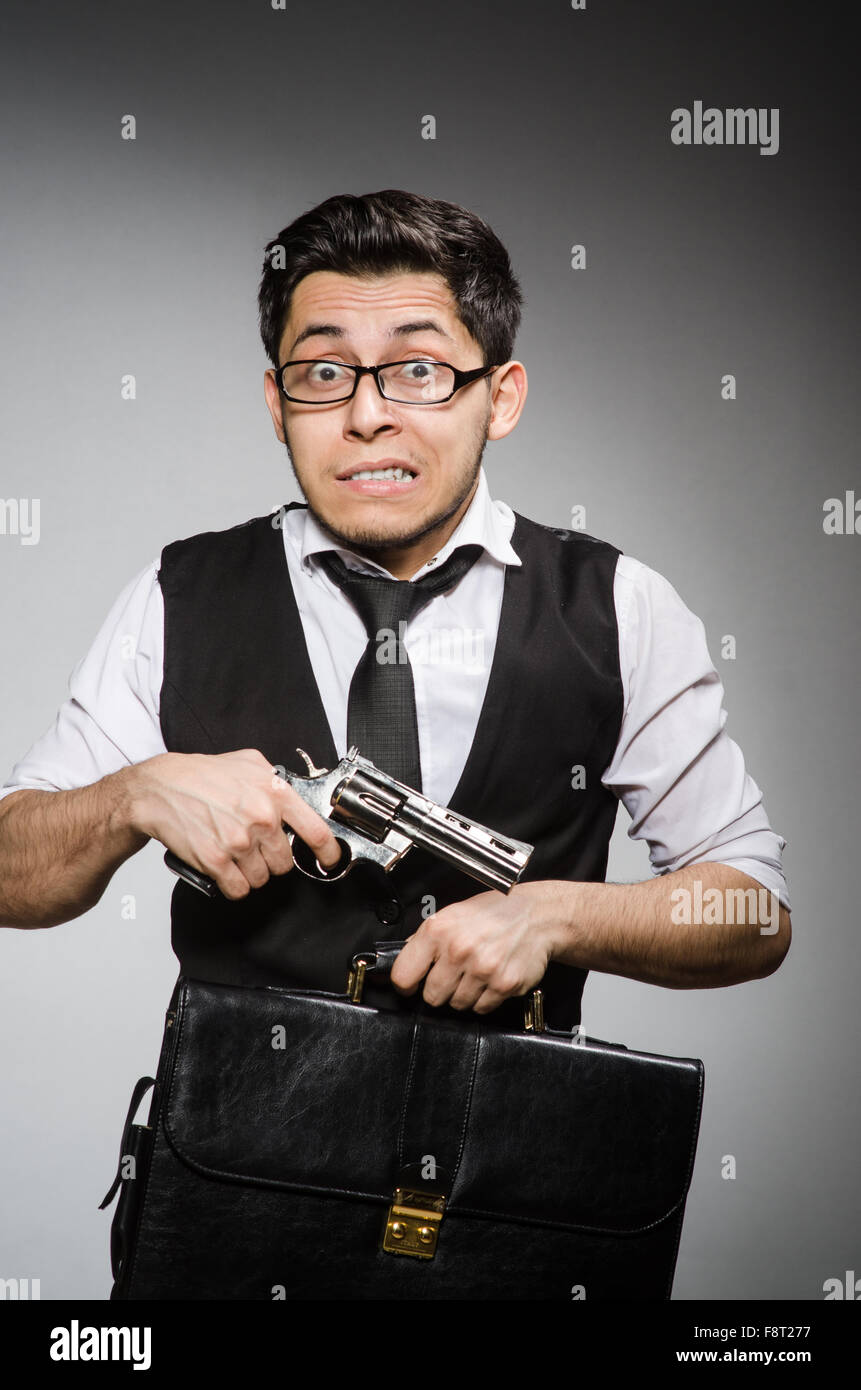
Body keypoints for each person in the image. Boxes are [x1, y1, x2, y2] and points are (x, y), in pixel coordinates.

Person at [0, 189, 790, 1027]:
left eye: (419, 371)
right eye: (324, 374)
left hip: (501, 1148)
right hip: (234, 1144)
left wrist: (551, 916)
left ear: (502, 396)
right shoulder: (177, 595)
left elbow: (753, 913)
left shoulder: (618, 608)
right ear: (278, 404)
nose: (367, 415)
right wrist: (132, 795)